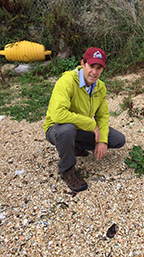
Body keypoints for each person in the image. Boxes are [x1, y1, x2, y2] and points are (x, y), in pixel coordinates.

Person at [43, 47, 126, 192]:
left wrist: (102, 141)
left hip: (79, 128)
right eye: (91, 66)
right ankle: (67, 169)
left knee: (117, 139)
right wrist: (89, 123)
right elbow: (57, 115)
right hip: (56, 128)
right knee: (67, 130)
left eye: (99, 68)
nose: (94, 72)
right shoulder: (67, 81)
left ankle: (75, 146)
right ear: (83, 63)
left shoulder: (100, 87)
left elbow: (102, 116)